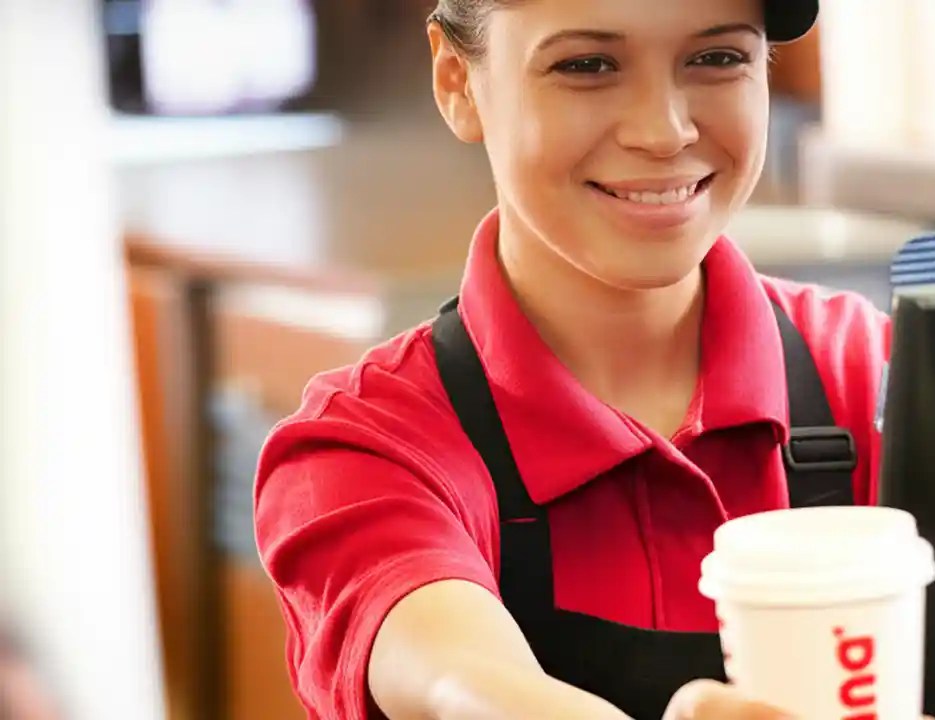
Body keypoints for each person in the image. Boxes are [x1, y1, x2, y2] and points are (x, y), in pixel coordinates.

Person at [253, 0, 893, 717]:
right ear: (457, 81)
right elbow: (452, 683)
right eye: (586, 66)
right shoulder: (363, 450)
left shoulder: (882, 380)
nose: (664, 131)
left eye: (717, 58)